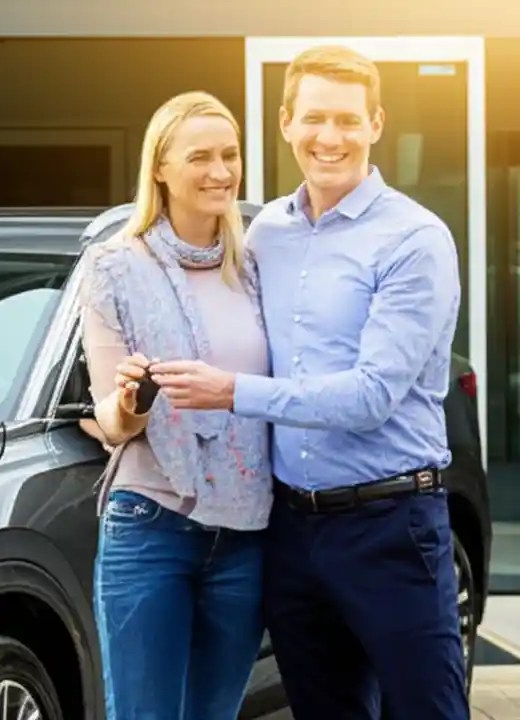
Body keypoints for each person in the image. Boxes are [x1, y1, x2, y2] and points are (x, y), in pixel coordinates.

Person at [150, 45, 468, 720]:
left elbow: (370, 396)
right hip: (292, 530)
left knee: (428, 711)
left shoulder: (414, 239)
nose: (332, 137)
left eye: (349, 120)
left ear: (376, 124)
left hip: (392, 527)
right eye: (316, 118)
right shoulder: (265, 231)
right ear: (287, 122)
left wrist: (229, 391)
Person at [76, 90, 271, 720]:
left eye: (230, 155)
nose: (220, 172)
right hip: (151, 524)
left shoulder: (257, 267)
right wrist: (132, 403)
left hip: (247, 530)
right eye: (200, 157)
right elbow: (111, 420)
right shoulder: (113, 268)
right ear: (159, 167)